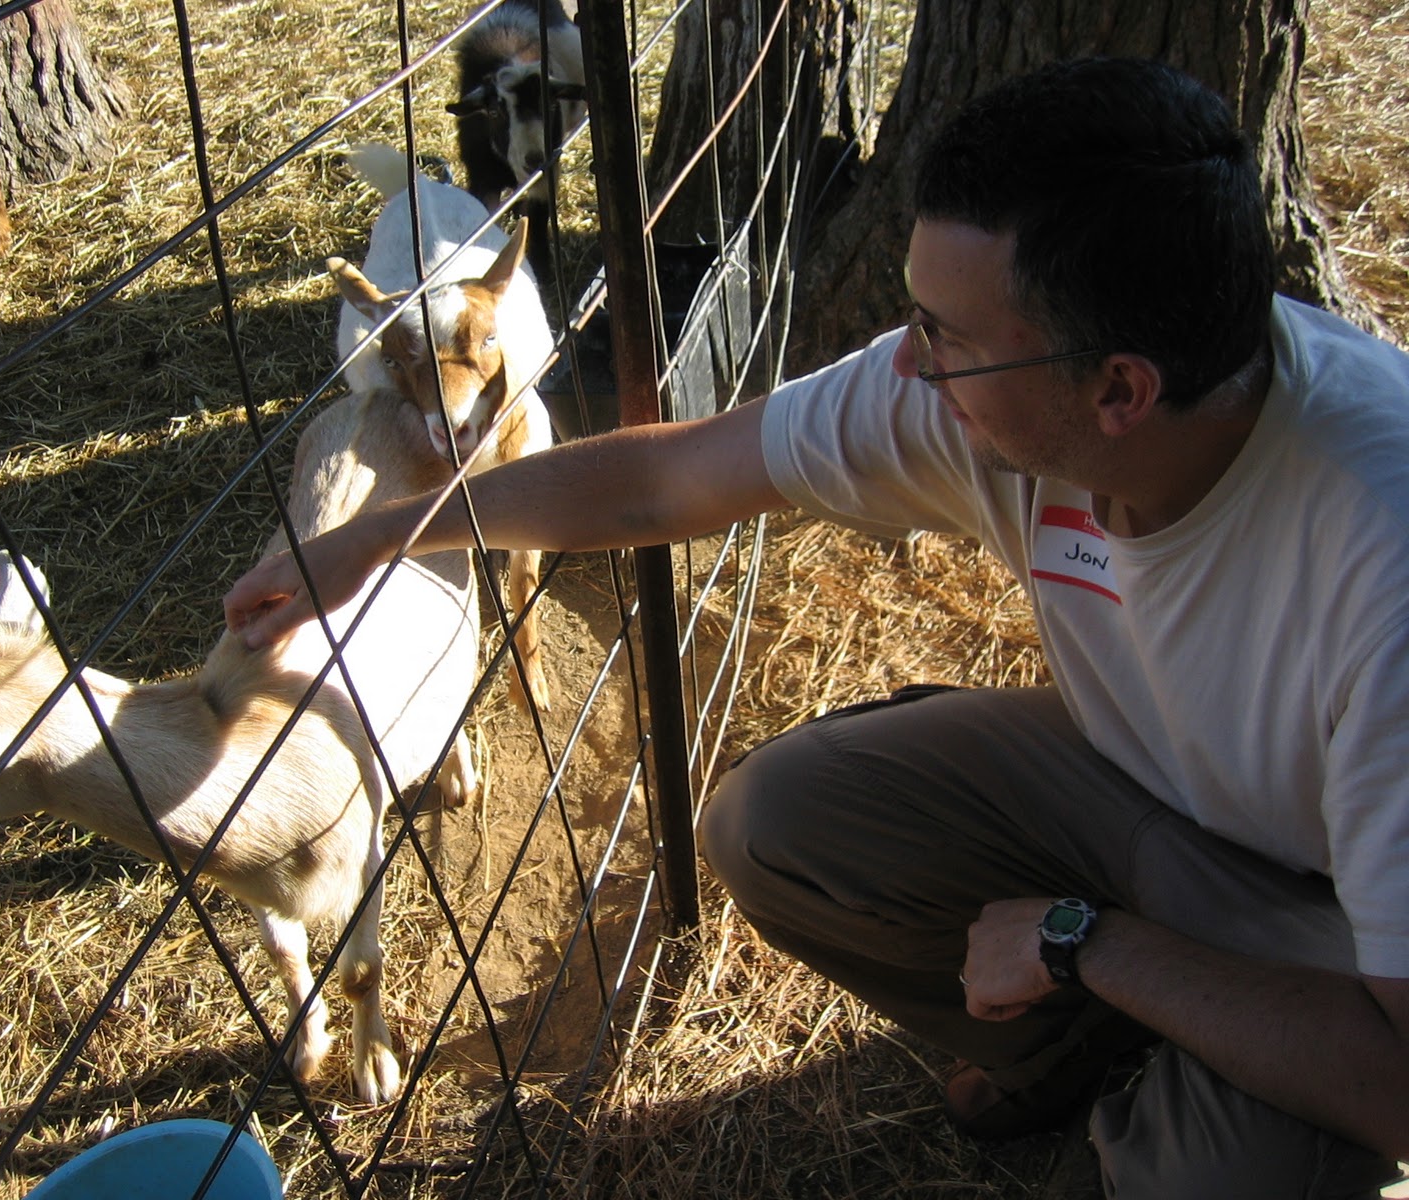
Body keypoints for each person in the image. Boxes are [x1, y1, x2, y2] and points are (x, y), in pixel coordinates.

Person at [226, 57, 1409, 1198]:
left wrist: (1088, 942)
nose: (906, 358)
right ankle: (1072, 1052)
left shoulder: (1379, 563)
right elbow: (664, 483)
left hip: (1332, 911)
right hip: (1155, 786)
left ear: (1118, 392)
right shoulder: (997, 393)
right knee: (775, 821)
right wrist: (382, 536)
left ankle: (1137, 1052)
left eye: (944, 335)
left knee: (1226, 1178)